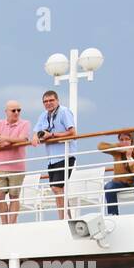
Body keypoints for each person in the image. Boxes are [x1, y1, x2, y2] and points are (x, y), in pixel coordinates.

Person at [31, 90, 78, 220]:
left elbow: (73, 132)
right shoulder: (43, 115)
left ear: (57, 100)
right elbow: (36, 131)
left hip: (65, 155)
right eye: (45, 101)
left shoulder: (64, 112)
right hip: (52, 158)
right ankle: (67, 216)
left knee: (57, 187)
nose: (48, 103)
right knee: (56, 188)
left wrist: (51, 135)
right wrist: (36, 137)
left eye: (51, 100)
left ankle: (62, 219)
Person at [0, 100, 32, 224]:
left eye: (19, 110)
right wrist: (11, 142)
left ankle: (11, 224)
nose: (17, 112)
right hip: (0, 166)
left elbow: (22, 140)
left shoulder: (25, 123)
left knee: (14, 196)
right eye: (13, 110)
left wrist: (5, 139)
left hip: (17, 167)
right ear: (6, 112)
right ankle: (4, 223)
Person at [99, 131, 134, 216]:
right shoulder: (117, 150)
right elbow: (100, 146)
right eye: (121, 139)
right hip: (123, 182)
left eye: (127, 139)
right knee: (109, 186)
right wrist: (118, 148)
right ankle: (114, 214)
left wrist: (129, 158)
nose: (124, 142)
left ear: (132, 141)